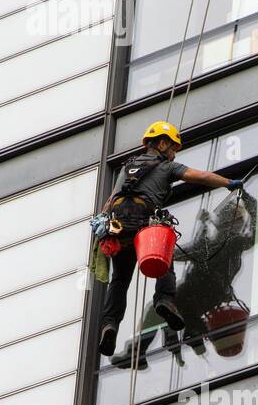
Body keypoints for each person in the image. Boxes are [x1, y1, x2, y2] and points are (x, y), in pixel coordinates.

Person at [95, 121, 244, 364]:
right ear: (162, 144)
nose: (174, 153)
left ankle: (109, 325)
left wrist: (102, 233)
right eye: (173, 148)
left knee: (120, 280)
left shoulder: (126, 167)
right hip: (144, 224)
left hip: (117, 228)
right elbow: (201, 176)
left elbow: (109, 202)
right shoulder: (167, 166)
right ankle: (164, 300)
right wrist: (228, 183)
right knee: (165, 258)